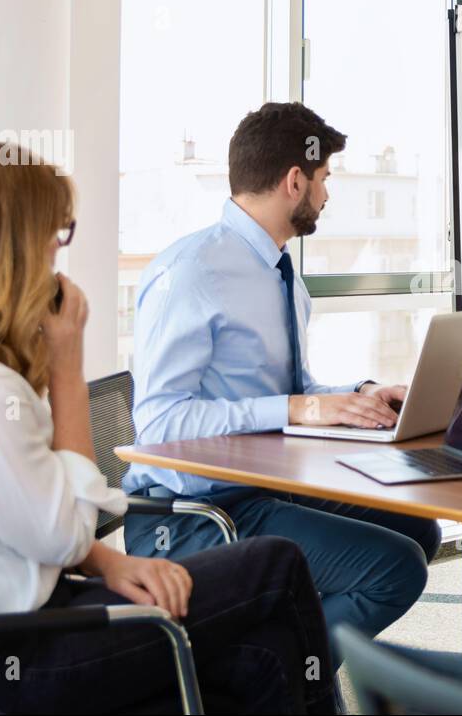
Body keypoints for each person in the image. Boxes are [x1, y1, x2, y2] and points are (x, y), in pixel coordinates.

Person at [0, 140, 335, 714]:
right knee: (275, 563)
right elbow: (68, 534)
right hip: (5, 663)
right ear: (10, 246)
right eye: (55, 234)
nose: (57, 250)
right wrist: (66, 367)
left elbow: (25, 516)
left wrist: (109, 561)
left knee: (264, 652)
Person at [125, 102, 440, 647]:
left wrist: (360, 394)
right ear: (295, 181)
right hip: (193, 515)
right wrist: (296, 410)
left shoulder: (277, 271)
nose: (327, 195)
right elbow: (159, 426)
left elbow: (290, 394)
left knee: (417, 528)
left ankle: (275, 660)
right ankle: (275, 686)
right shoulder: (193, 272)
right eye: (324, 180)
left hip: (263, 486)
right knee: (395, 568)